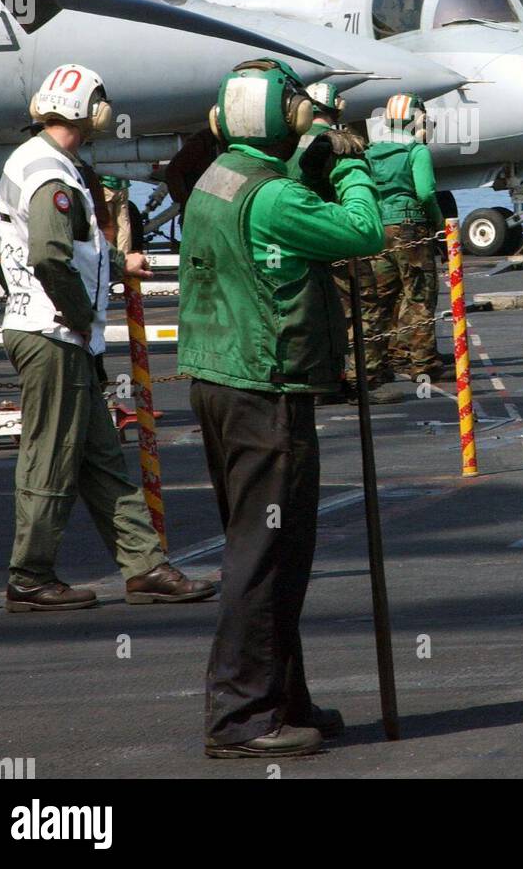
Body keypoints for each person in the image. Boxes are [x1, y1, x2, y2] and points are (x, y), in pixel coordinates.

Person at [177, 58, 384, 758]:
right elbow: (362, 232)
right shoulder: (274, 198)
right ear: (280, 114)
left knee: (271, 548)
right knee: (265, 553)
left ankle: (280, 696)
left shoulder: (220, 177)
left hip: (220, 383)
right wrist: (351, 165)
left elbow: (273, 221)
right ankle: (240, 718)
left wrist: (305, 163)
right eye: (297, 103)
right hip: (265, 389)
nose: (306, 112)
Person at [0, 64, 215, 613]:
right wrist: (74, 313)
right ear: (87, 110)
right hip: (53, 334)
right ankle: (29, 576)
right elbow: (48, 254)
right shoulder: (51, 172)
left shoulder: (47, 162)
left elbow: (62, 249)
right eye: (101, 101)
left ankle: (144, 568)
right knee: (51, 458)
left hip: (58, 333)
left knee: (99, 458)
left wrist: (120, 261)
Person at [363, 93, 452, 387]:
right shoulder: (417, 151)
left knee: (382, 298)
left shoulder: (371, 152)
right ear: (416, 119)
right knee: (419, 295)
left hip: (378, 229)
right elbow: (426, 193)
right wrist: (441, 226)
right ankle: (424, 364)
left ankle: (380, 362)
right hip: (410, 229)